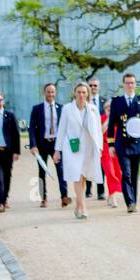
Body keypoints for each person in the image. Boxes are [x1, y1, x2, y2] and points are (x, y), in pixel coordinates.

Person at [53, 82, 103, 220]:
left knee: (84, 176)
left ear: (87, 94)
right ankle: (83, 207)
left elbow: (98, 129)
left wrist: (100, 147)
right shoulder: (67, 109)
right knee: (77, 176)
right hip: (72, 148)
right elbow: (61, 129)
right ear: (74, 93)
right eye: (79, 92)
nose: (81, 95)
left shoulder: (92, 109)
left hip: (88, 147)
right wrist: (57, 150)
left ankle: (77, 206)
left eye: (84, 92)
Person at [107, 72, 140, 213]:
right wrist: (110, 145)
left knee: (134, 174)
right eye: (127, 83)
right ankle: (130, 203)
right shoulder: (117, 102)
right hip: (122, 143)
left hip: (137, 143)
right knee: (126, 173)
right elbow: (111, 124)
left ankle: (134, 201)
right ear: (123, 84)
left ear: (135, 84)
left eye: (132, 82)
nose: (130, 85)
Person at [29, 84, 69, 208]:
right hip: (42, 144)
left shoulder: (61, 108)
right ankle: (43, 198)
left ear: (55, 93)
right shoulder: (37, 109)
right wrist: (33, 145)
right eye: (48, 92)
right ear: (44, 93)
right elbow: (31, 129)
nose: (50, 94)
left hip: (57, 144)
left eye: (52, 92)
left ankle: (64, 196)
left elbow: (65, 127)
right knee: (42, 171)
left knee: (61, 170)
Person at [87, 77, 106, 201]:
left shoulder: (104, 102)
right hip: (88, 138)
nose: (93, 87)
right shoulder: (84, 101)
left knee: (101, 166)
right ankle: (88, 189)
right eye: (91, 85)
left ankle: (101, 191)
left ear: (98, 87)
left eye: (95, 85)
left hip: (101, 137)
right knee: (87, 164)